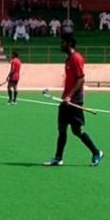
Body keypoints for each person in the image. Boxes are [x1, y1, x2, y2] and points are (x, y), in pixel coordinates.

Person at [45, 35, 102, 167]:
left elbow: (81, 79)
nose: (60, 45)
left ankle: (96, 152)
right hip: (66, 100)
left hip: (74, 101)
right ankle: (58, 158)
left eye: (62, 42)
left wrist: (69, 96)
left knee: (77, 131)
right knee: (61, 128)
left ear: (69, 43)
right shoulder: (68, 59)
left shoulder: (77, 58)